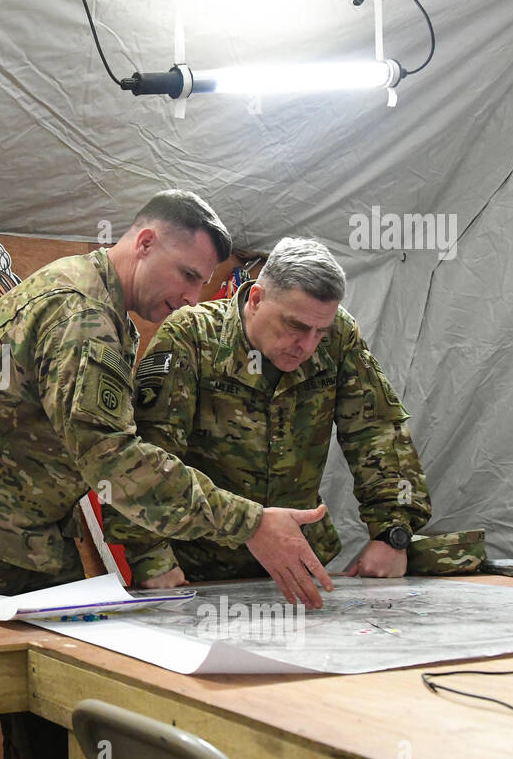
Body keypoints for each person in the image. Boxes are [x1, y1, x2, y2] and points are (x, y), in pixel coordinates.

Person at [0, 190, 334, 759]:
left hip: (27, 534)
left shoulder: (101, 303)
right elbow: (115, 464)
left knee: (49, 734)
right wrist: (250, 522)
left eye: (205, 282)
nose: (193, 297)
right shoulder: (83, 315)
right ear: (144, 242)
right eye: (188, 274)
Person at [106, 237, 432, 587]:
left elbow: (376, 430)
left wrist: (391, 531)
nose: (307, 345)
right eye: (296, 326)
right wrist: (151, 559)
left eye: (320, 331)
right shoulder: (192, 337)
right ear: (257, 300)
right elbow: (147, 458)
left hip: (298, 562)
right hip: (199, 566)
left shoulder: (338, 336)